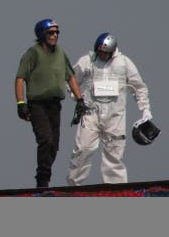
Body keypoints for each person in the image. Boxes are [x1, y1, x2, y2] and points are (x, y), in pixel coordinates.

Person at [66, 33, 153, 185]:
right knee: (82, 151)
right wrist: (78, 99)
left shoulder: (124, 63)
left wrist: (145, 110)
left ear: (112, 52)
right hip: (90, 114)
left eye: (105, 53)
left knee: (114, 156)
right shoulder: (87, 61)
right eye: (100, 52)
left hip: (115, 117)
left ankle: (116, 191)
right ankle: (74, 187)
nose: (102, 55)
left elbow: (139, 88)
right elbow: (71, 81)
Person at [15, 19, 87, 188]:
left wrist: (80, 99)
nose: (55, 36)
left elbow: (70, 76)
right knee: (46, 140)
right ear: (41, 34)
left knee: (54, 145)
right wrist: (20, 103)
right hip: (37, 105)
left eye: (56, 33)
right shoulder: (32, 53)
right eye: (50, 33)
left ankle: (44, 175)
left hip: (55, 105)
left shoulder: (61, 53)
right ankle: (42, 180)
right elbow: (20, 79)